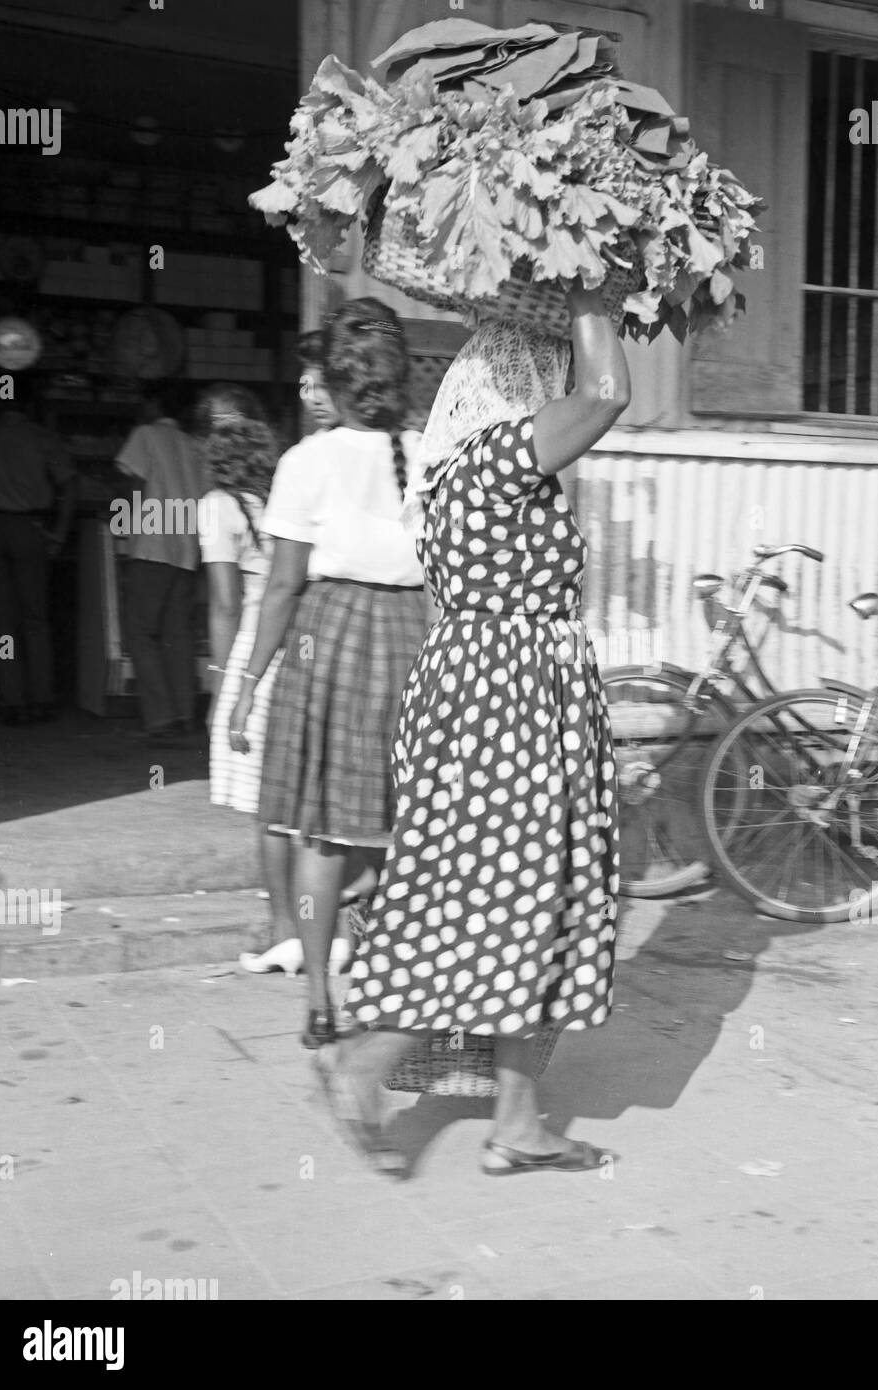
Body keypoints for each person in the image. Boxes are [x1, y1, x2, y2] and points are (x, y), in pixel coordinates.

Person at [320, 285, 629, 1177]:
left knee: (534, 901)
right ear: (517, 382)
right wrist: (597, 295)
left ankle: (518, 1121)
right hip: (512, 705)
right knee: (496, 904)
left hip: (487, 694)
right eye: (547, 379)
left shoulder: (448, 469)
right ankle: (363, 1066)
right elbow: (609, 392)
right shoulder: (500, 454)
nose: (559, 395)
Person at [228, 298, 427, 1047]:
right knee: (403, 830)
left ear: (335, 383)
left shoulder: (305, 461)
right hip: (414, 639)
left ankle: (319, 1000)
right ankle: (391, 987)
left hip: (328, 643)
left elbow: (280, 587)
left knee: (320, 837)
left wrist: (247, 685)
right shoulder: (429, 453)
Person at [197, 384, 353, 979]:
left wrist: (223, 683)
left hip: (256, 655)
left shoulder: (218, 507)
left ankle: (286, 931)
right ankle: (329, 930)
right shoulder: (283, 497)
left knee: (266, 809)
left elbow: (223, 604)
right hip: (310, 651)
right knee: (308, 800)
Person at [0, 377, 78, 725]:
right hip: (30, 530)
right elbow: (69, 484)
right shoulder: (42, 438)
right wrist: (60, 532)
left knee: (3, 621)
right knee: (35, 619)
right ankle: (43, 699)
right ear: (29, 403)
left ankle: (13, 701)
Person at [115, 384, 207, 744]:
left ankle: (160, 718)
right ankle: (184, 714)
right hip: (186, 549)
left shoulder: (145, 434)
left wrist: (122, 523)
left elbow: (134, 485)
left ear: (154, 403)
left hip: (152, 544)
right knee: (177, 634)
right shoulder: (194, 445)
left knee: (141, 631)